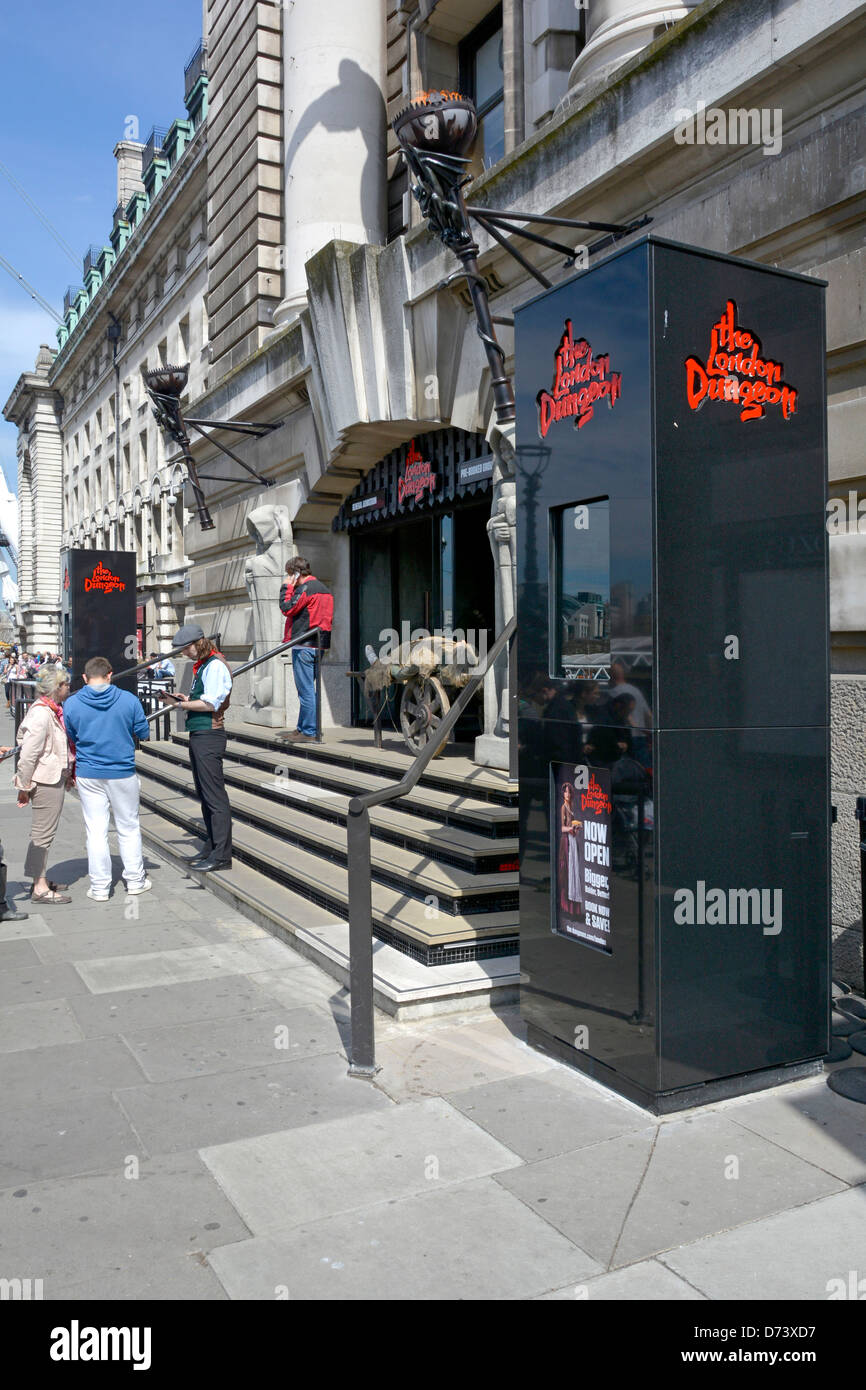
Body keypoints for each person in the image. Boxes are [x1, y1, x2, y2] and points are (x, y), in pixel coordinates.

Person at [62, 656, 152, 902]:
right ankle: (135, 880)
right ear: (110, 674)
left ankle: (100, 887)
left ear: (84, 677)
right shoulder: (128, 700)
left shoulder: (72, 703)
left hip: (89, 772)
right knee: (129, 826)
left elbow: (70, 733)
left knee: (96, 830)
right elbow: (143, 732)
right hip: (122, 771)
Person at [161, 624, 233, 872]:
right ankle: (212, 846)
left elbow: (211, 703)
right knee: (206, 795)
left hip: (210, 734)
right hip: (202, 734)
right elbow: (203, 699)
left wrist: (183, 706)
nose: (183, 653)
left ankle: (222, 855)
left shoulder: (214, 665)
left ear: (197, 643)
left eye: (185, 648)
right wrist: (185, 700)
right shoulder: (204, 665)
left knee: (215, 797)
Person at [14, 666, 74, 904]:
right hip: (45, 781)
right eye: (65, 684)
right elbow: (28, 754)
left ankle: (38, 879)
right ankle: (39, 887)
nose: (68, 688)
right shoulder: (41, 713)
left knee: (44, 833)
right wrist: (24, 785)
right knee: (43, 834)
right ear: (56, 687)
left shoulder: (50, 711)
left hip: (51, 777)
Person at [277, 556, 333, 743]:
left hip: (305, 644)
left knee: (306, 690)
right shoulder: (325, 589)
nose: (288, 577)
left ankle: (308, 731)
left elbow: (287, 608)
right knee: (308, 689)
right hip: (320, 645)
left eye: (289, 574)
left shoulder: (306, 589)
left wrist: (287, 587)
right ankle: (303, 728)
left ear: (296, 573)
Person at [558, 782, 584, 921]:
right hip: (566, 842)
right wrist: (571, 829)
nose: (568, 794)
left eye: (569, 792)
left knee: (574, 873)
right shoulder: (563, 808)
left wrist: (575, 829)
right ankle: (567, 907)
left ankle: (574, 909)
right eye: (566, 792)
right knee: (567, 872)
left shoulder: (571, 806)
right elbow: (562, 828)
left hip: (572, 842)